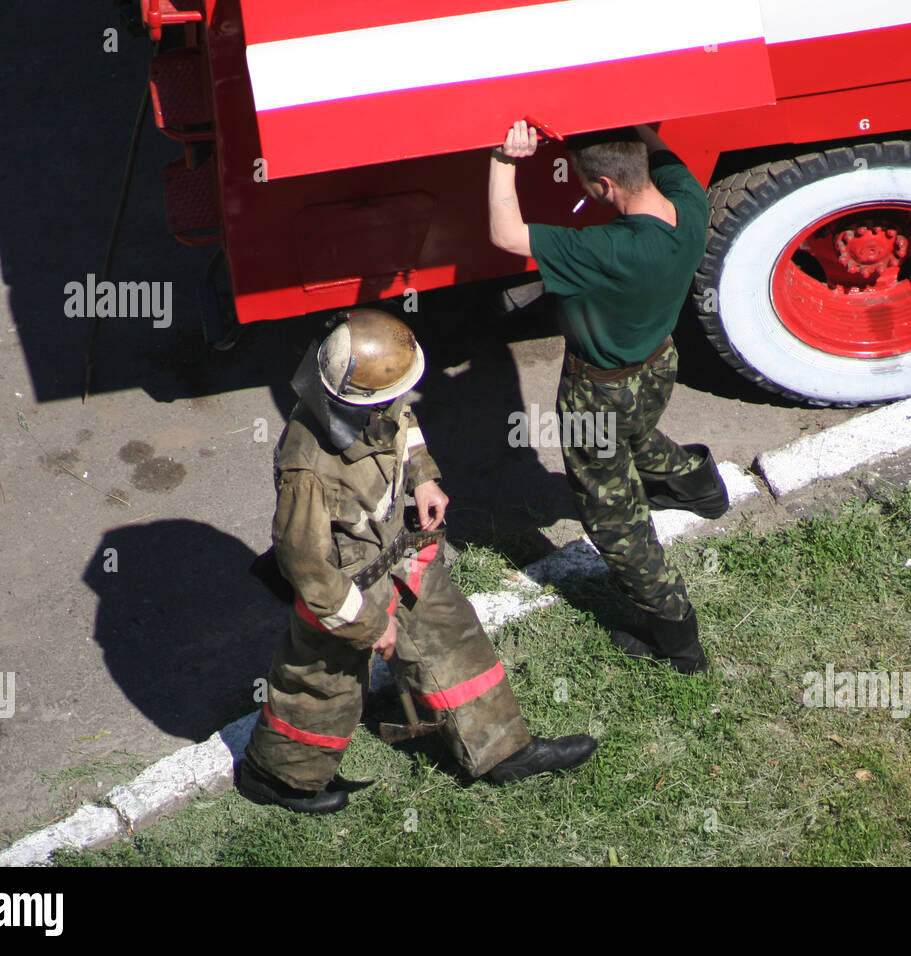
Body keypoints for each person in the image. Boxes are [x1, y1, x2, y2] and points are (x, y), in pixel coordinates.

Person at [238, 309, 596, 813]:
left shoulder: (371, 398)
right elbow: (305, 566)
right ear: (351, 397)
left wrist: (423, 476)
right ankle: (278, 777)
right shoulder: (308, 466)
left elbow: (402, 419)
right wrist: (366, 624)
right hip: (345, 585)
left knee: (453, 635)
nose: (396, 402)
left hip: (399, 554)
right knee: (324, 684)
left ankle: (502, 751)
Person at [487, 121, 729, 675]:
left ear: (603, 185)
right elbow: (661, 150)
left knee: (614, 517)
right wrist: (624, 112)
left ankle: (678, 640)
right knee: (639, 433)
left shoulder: (608, 247)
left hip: (597, 391)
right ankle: (699, 487)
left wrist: (504, 159)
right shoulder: (689, 204)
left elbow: (506, 234)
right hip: (658, 364)